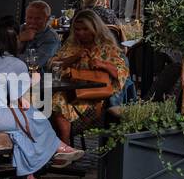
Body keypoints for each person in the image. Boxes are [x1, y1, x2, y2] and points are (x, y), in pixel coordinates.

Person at [0, 19, 82, 179]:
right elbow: (15, 94)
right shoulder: (16, 63)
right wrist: (33, 81)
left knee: (26, 119)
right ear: (16, 40)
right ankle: (55, 149)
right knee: (36, 119)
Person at [49, 10, 129, 145]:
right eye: (77, 29)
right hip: (69, 90)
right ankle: (57, 148)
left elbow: (121, 73)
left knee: (56, 101)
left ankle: (65, 145)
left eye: (85, 29)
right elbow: (53, 65)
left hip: (94, 97)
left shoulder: (107, 48)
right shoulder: (71, 45)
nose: (80, 33)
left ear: (95, 28)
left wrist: (102, 64)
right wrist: (75, 57)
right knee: (45, 102)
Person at [18, 0, 61, 69]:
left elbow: (34, 64)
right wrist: (19, 39)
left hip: (41, 77)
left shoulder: (51, 39)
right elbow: (1, 52)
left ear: (47, 19)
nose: (33, 21)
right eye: (29, 18)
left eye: (38, 18)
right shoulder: (20, 29)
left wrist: (10, 58)